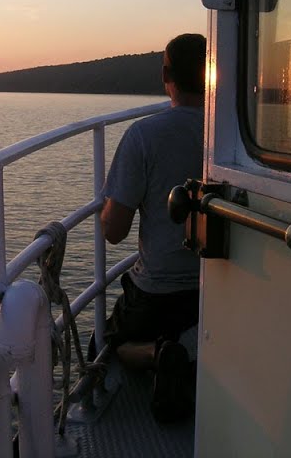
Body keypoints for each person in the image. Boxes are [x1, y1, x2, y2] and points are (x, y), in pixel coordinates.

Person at [97, 32, 205, 423]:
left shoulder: (144, 135)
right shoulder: (231, 135)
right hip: (221, 288)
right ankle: (189, 352)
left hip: (159, 291)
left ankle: (158, 354)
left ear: (165, 74)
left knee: (109, 342)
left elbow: (115, 231)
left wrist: (108, 207)